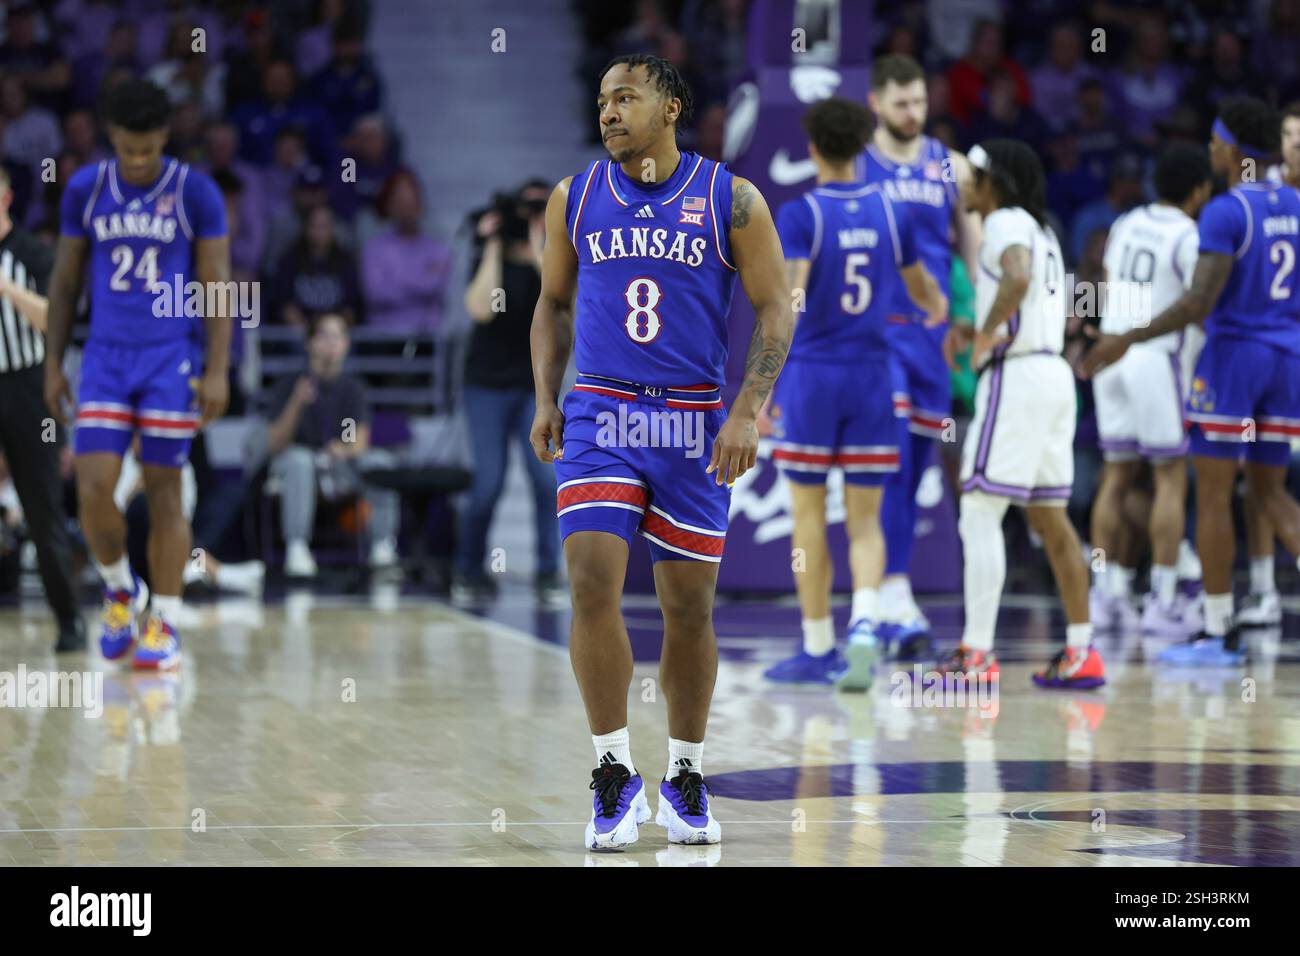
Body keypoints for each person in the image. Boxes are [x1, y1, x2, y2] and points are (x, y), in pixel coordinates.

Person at [529, 54, 792, 850]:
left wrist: (747, 411)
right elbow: (549, 302)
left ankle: (683, 772)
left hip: (689, 423)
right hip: (602, 412)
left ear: (670, 108)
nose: (609, 113)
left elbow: (776, 308)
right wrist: (546, 396)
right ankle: (613, 771)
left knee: (688, 610)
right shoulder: (573, 198)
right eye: (602, 101)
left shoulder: (732, 199)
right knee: (591, 582)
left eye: (626, 98)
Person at [1085, 97, 1300, 665]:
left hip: (1232, 359)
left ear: (1232, 149)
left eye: (1215, 140)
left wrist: (1125, 336)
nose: (1210, 150)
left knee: (1209, 495)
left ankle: (1215, 625)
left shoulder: (1225, 212)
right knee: (1271, 493)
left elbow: (1199, 300)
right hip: (1286, 357)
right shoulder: (1296, 203)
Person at [44, 78, 231, 670]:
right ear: (112, 139)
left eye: (150, 148)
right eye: (129, 149)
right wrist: (52, 363)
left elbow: (217, 286)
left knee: (165, 489)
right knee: (94, 487)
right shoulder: (85, 189)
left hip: (167, 357)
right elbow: (67, 281)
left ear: (165, 136)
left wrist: (219, 368)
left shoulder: (196, 192)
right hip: (104, 356)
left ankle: (167, 620)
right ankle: (121, 588)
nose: (140, 160)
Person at [762, 97, 947, 689]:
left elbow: (788, 306)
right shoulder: (895, 215)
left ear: (812, 148)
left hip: (815, 376)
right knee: (866, 521)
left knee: (809, 515)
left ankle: (819, 647)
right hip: (875, 378)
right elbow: (926, 295)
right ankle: (865, 626)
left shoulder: (802, 215)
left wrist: (763, 384)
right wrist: (945, 314)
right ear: (864, 147)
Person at [944, 138, 1104, 689]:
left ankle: (976, 653)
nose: (964, 182)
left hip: (1016, 379)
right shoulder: (1044, 230)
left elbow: (1016, 278)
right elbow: (1030, 301)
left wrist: (982, 338)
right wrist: (980, 329)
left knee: (980, 510)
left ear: (997, 183)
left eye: (975, 174)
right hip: (1052, 375)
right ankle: (1082, 650)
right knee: (1048, 516)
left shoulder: (1007, 222)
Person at [858, 53, 982, 659]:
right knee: (891, 464)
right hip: (877, 334)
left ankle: (890, 593)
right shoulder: (857, 163)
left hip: (934, 339)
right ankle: (890, 593)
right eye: (902, 103)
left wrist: (975, 317)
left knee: (918, 465)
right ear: (876, 102)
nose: (913, 114)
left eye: (920, 104)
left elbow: (973, 244)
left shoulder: (951, 166)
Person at [1089, 144, 1212, 638]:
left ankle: (1106, 590)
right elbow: (1195, 305)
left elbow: (1106, 280)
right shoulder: (1189, 235)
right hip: (1153, 356)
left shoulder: (1125, 223)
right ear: (1199, 191)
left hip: (1111, 353)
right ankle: (1164, 597)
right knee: (1169, 479)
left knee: (1115, 478)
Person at [456, 181, 558, 601]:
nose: (532, 215)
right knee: (489, 482)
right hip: (486, 385)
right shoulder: (489, 254)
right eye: (527, 208)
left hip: (535, 387)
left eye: (541, 207)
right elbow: (482, 308)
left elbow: (564, 304)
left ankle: (548, 573)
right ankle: (469, 570)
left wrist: (539, 250)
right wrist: (494, 245)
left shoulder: (553, 258)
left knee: (546, 479)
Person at [0, 164, 83, 651]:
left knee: (42, 507)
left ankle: (70, 621)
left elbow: (57, 319)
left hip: (29, 387)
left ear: (6, 200)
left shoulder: (33, 255)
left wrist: (8, 289)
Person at [264, 311, 399, 576]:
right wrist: (297, 402)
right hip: (297, 469)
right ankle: (297, 546)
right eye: (324, 336)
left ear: (346, 344)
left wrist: (342, 448)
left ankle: (383, 545)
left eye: (338, 336)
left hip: (338, 466)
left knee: (380, 461)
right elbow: (275, 444)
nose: (331, 343)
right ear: (309, 343)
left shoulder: (353, 389)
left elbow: (360, 442)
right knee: (299, 460)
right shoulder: (289, 384)